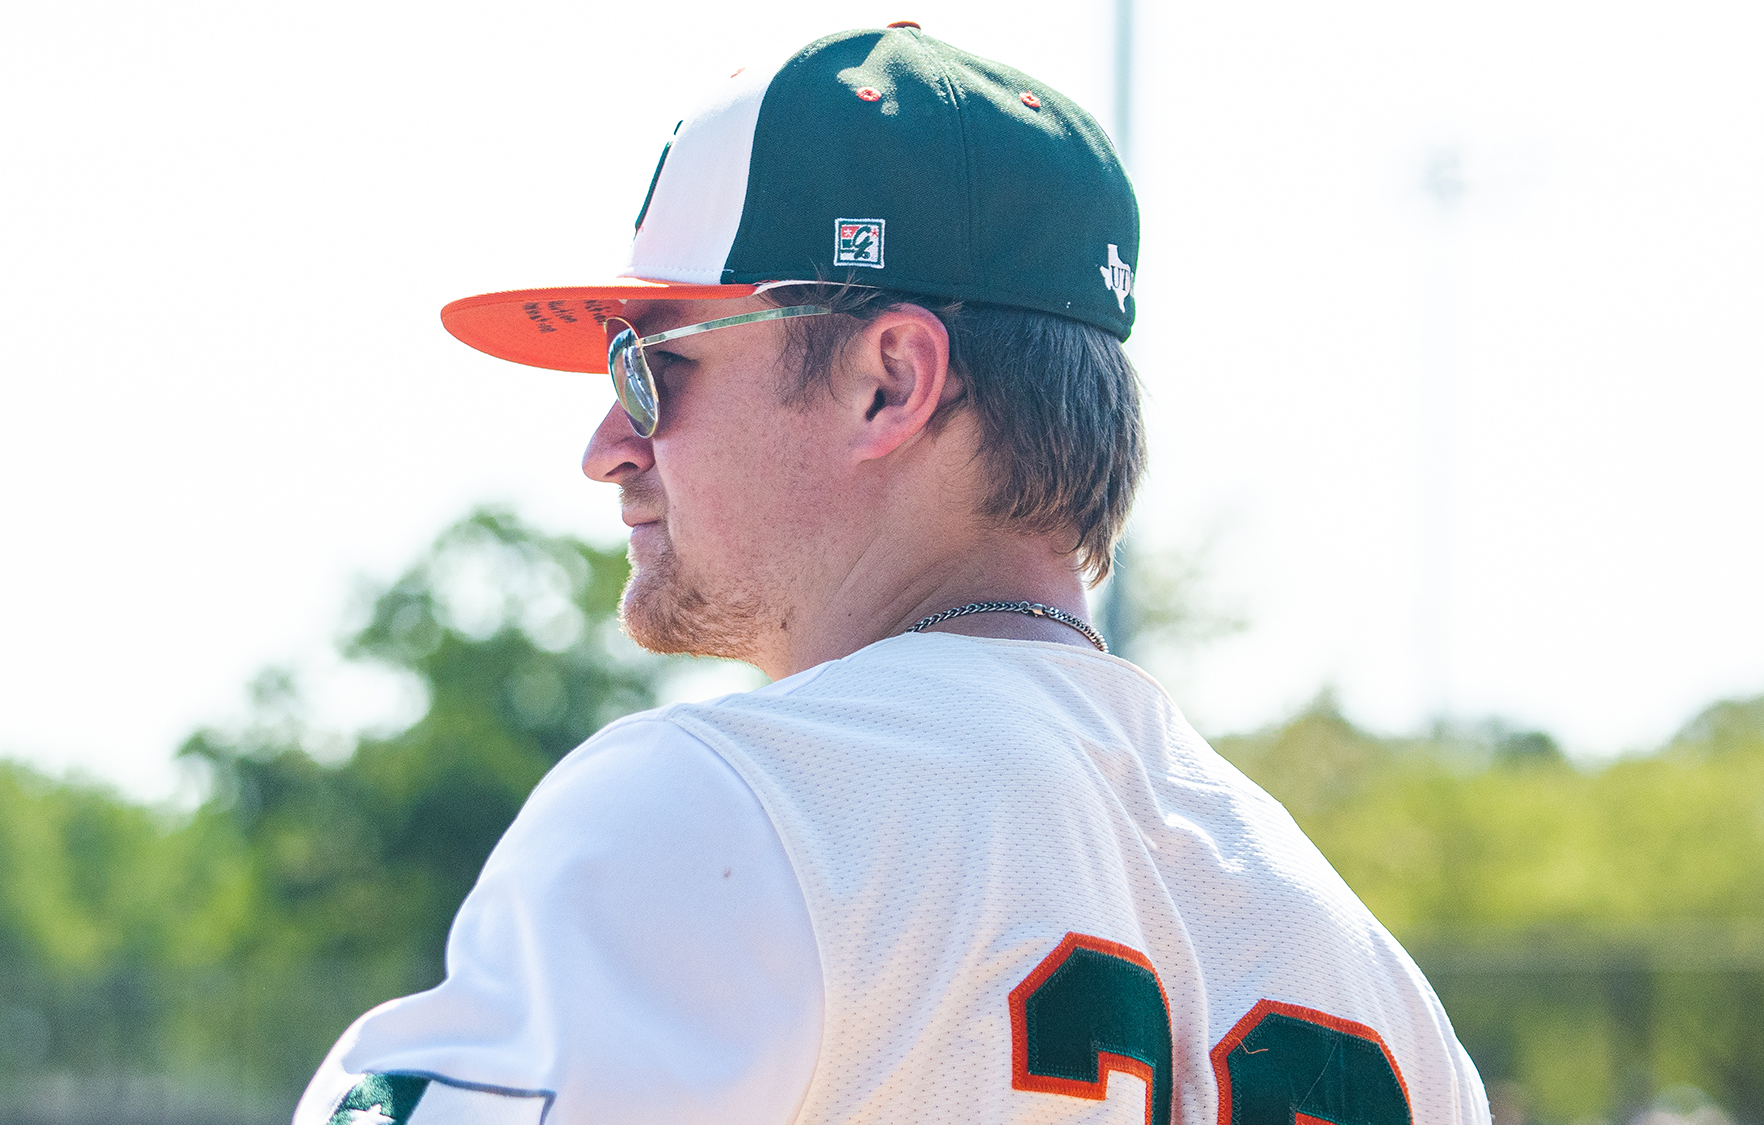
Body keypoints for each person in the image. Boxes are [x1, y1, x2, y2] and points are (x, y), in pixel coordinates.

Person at [295, 24, 1489, 1125]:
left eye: (648, 366)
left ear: (889, 382)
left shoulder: (726, 805)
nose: (607, 446)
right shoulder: (1369, 977)